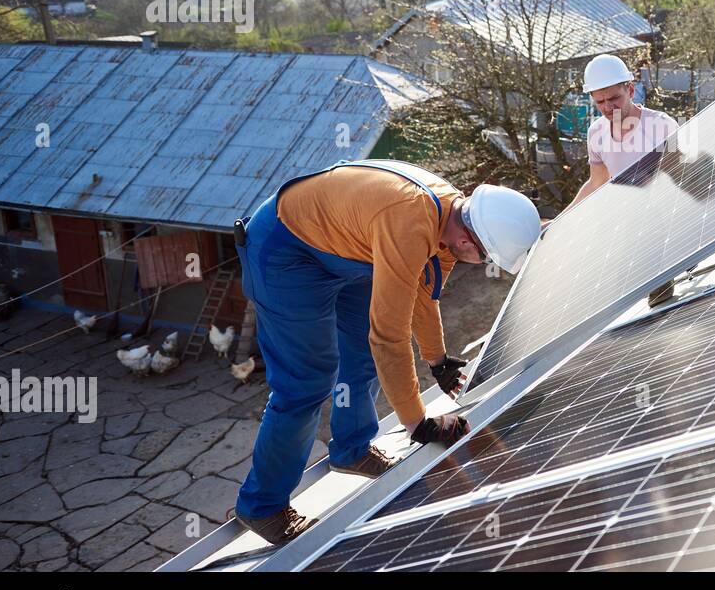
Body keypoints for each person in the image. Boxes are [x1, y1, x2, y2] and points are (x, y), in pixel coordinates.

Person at [230, 158, 541, 545]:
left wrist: (437, 359)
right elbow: (389, 337)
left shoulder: (453, 213)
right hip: (285, 252)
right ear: (468, 242)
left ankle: (351, 449)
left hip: (346, 246)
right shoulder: (410, 223)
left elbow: (423, 295)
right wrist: (418, 423)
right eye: (486, 258)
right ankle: (262, 506)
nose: (482, 265)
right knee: (306, 381)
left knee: (359, 350)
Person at [564, 54, 681, 306]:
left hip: (661, 224)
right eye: (600, 101)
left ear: (630, 89)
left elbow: (681, 177)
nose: (608, 107)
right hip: (623, 226)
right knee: (616, 299)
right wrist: (561, 220)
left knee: (658, 299)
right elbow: (597, 183)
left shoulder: (660, 125)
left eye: (614, 98)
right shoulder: (596, 133)